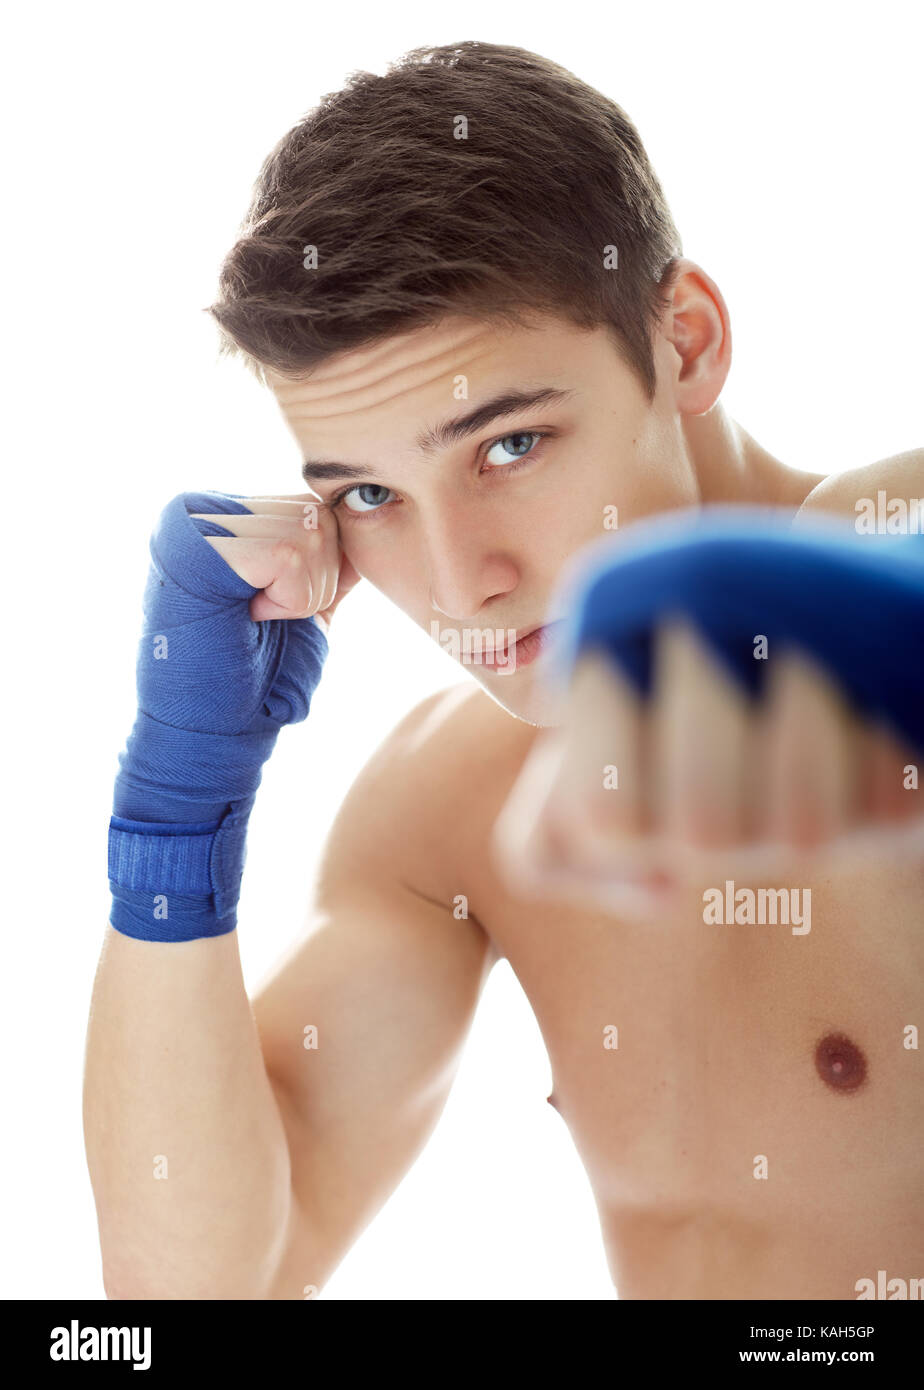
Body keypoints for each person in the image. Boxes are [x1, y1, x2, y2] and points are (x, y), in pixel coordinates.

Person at [84, 40, 924, 1300]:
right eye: (369, 493)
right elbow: (200, 1293)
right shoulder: (447, 804)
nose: (455, 577)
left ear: (684, 343)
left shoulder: (885, 540)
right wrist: (175, 804)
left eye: (510, 443)